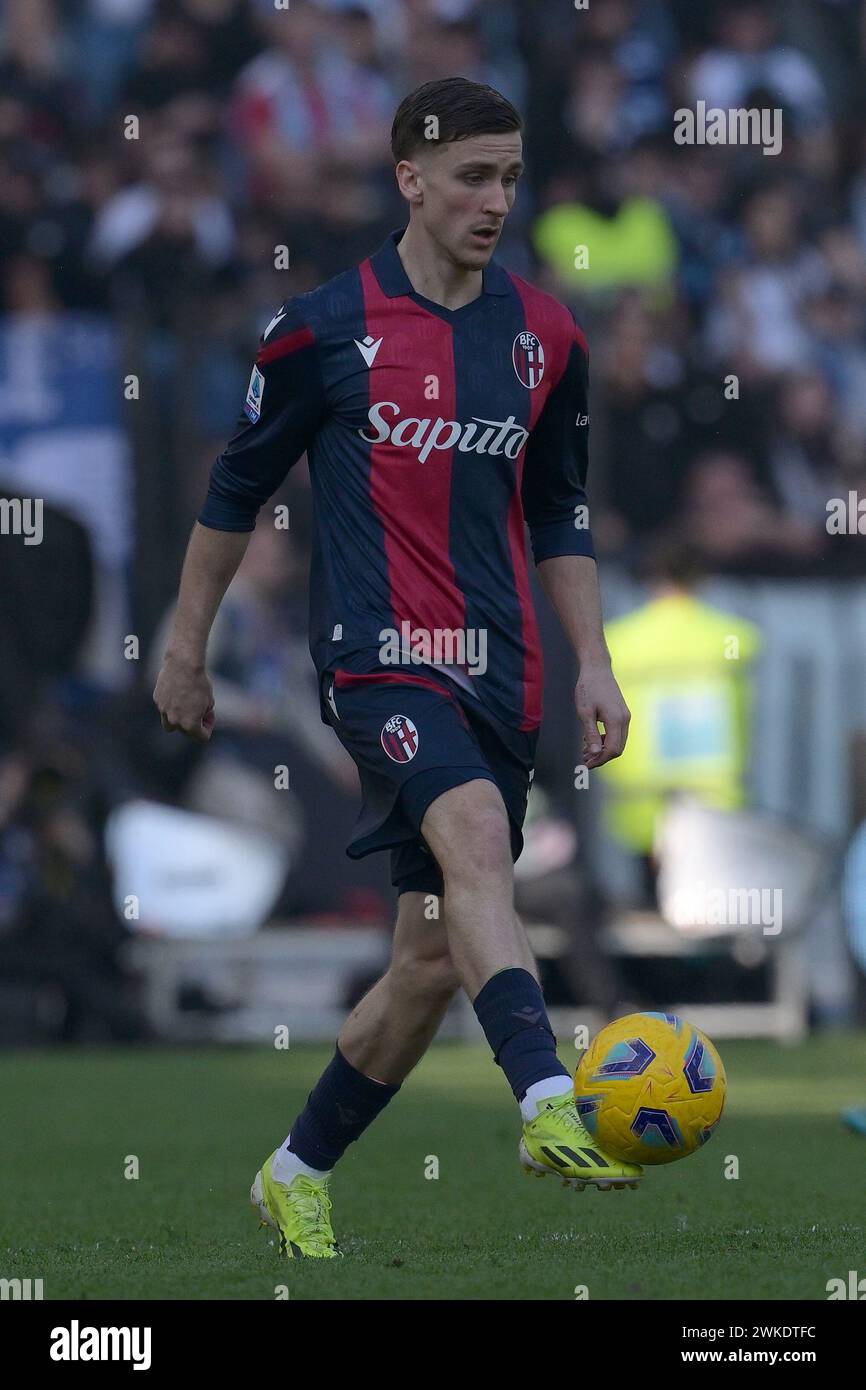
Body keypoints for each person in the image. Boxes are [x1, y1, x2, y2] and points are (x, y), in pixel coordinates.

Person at [153, 76, 639, 1261]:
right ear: (408, 179)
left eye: (512, 178)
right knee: (474, 838)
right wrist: (183, 641)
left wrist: (593, 665)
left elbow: (561, 510)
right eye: (474, 176)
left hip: (499, 667)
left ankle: (293, 1169)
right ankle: (544, 1099)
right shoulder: (320, 328)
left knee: (427, 961)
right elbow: (234, 491)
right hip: (377, 658)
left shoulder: (545, 334)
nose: (497, 201)